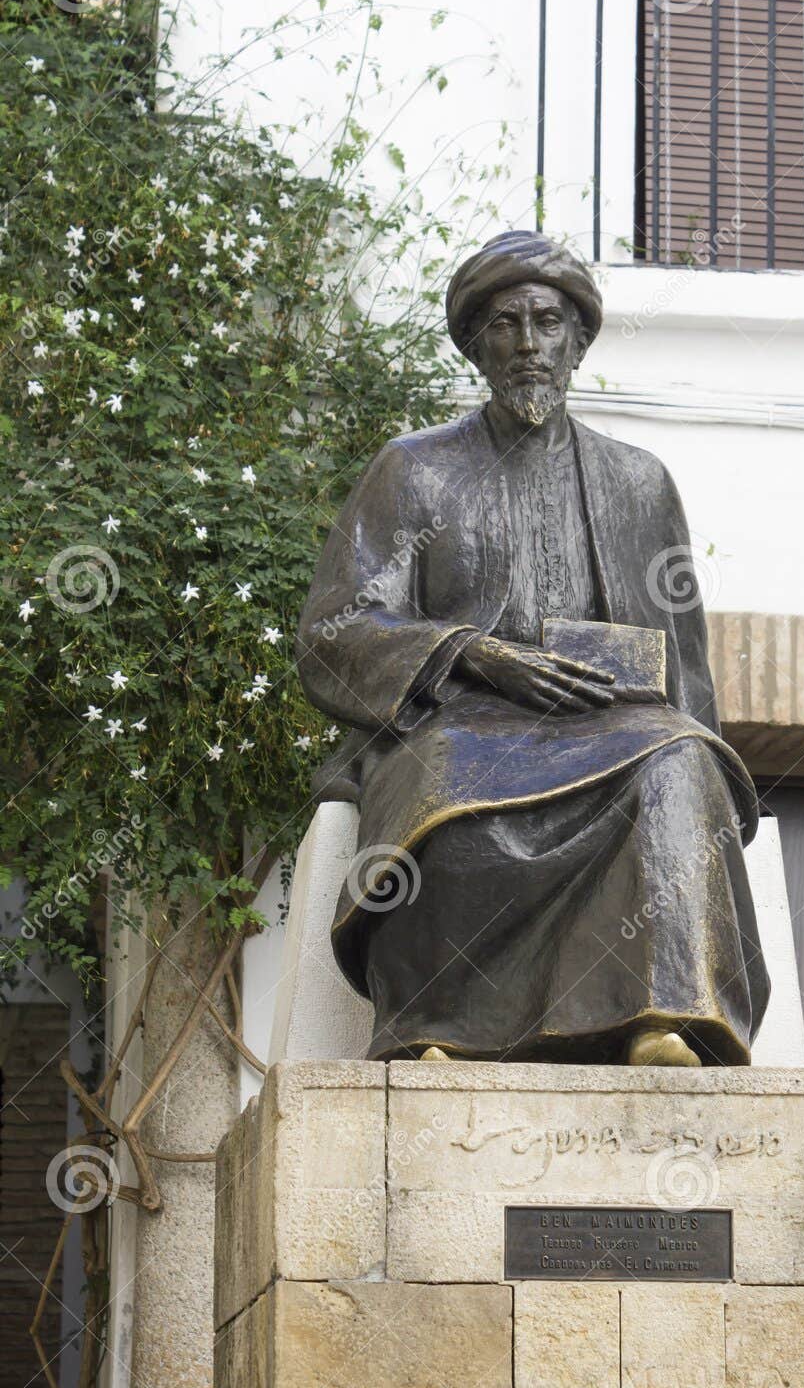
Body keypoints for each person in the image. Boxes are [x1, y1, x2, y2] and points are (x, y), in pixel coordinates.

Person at [297, 231, 769, 1065]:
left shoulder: (639, 482)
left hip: (609, 721)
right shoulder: (411, 471)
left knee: (677, 763)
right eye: (506, 325)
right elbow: (336, 633)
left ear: (577, 342)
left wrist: (716, 777)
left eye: (547, 324)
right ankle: (438, 1026)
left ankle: (659, 1019)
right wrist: (473, 654)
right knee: (447, 782)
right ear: (476, 344)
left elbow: (683, 658)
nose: (527, 345)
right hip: (456, 714)